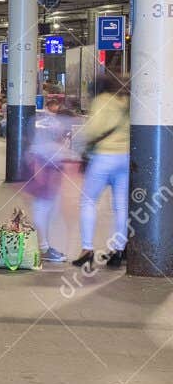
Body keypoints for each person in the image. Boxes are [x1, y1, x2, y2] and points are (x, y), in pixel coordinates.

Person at [73, 73, 131, 268]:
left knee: (88, 202)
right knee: (120, 206)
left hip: (103, 158)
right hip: (124, 158)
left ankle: (87, 250)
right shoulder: (128, 103)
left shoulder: (102, 101)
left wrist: (83, 146)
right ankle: (118, 250)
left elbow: (93, 130)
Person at [26, 99, 78, 262]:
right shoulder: (53, 131)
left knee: (48, 207)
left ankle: (44, 247)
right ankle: (43, 248)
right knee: (44, 206)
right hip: (42, 168)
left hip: (43, 167)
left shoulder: (49, 127)